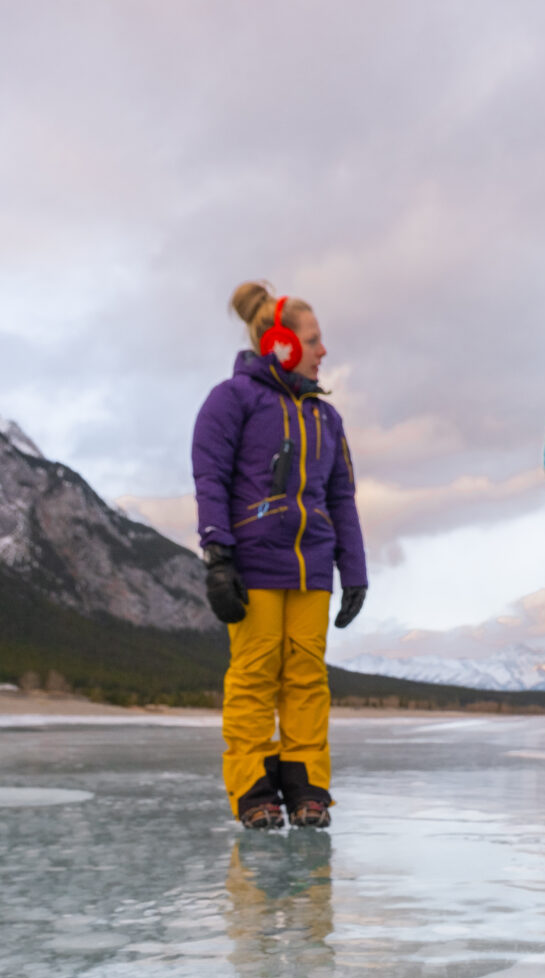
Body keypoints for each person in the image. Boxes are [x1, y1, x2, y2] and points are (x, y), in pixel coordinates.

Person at [192, 282, 368, 830]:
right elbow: (210, 477)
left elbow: (341, 497)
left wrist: (354, 571)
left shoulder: (325, 418)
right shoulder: (232, 399)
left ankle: (306, 788)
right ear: (282, 344)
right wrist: (218, 554)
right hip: (255, 564)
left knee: (307, 679)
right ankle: (254, 790)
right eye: (313, 341)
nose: (323, 351)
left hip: (311, 569)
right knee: (254, 675)